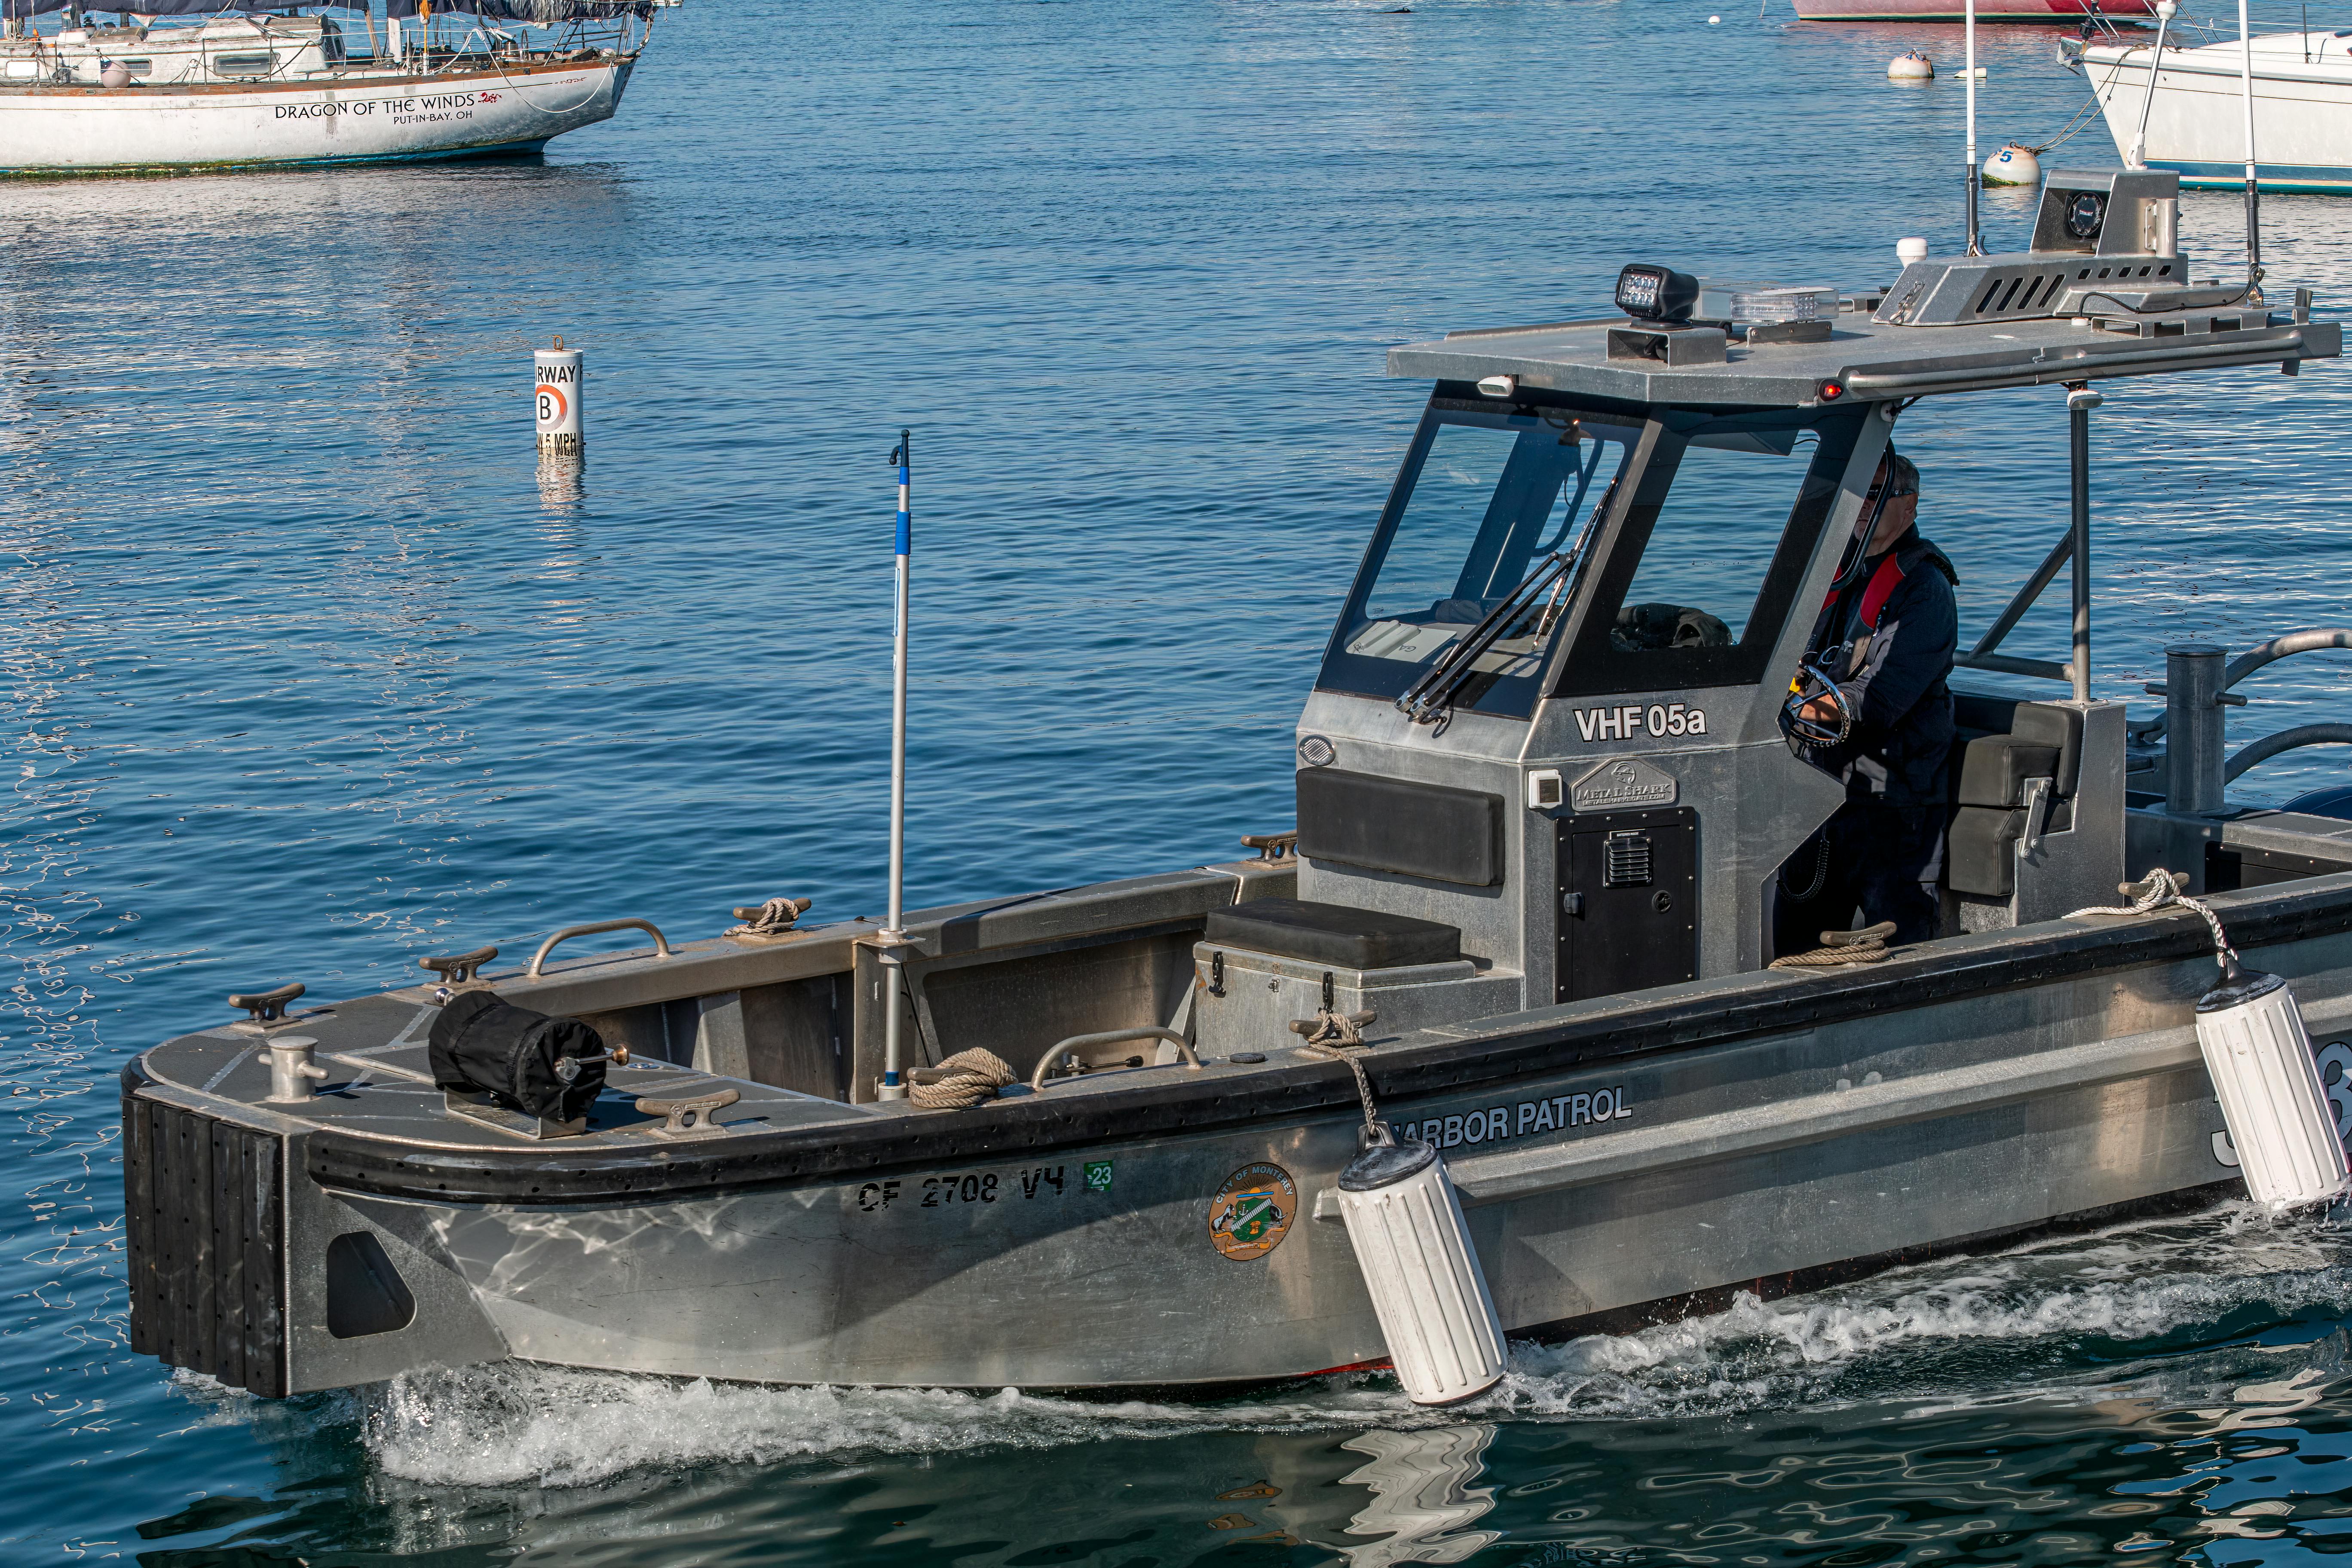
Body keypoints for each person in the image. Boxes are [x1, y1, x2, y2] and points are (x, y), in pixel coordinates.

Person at [1774, 448, 1959, 951]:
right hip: (1819, 796)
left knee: (1899, 953)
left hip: (1894, 809)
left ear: (1910, 507)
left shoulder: (1925, 589)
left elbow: (1875, 702)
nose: (1860, 505)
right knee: (1795, 949)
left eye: (1875, 494)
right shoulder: (1836, 577)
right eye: (1857, 492)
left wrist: (1789, 710)